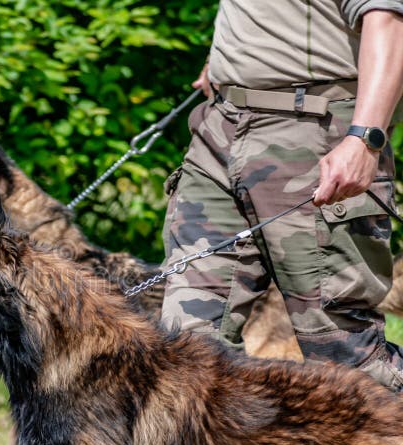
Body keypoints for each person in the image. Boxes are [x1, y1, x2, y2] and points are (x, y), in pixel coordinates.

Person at [162, 1, 403, 393]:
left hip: (312, 133)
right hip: (219, 129)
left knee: (347, 363)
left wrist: (366, 139)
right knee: (185, 349)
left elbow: (389, 21)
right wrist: (233, 59)